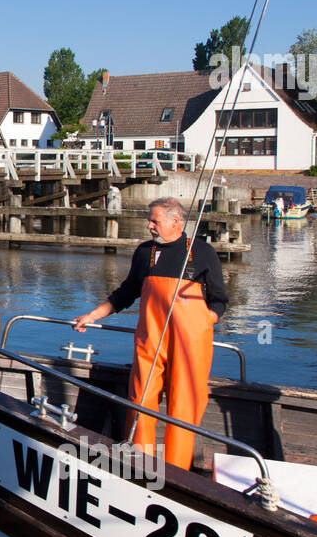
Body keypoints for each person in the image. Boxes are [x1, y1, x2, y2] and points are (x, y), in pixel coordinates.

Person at [71, 197, 228, 470]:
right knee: (140, 399)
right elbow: (126, 293)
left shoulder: (202, 252)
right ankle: (139, 465)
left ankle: (176, 471)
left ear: (175, 221)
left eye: (154, 221)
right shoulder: (145, 253)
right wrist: (92, 315)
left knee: (184, 404)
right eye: (150, 220)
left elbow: (219, 300)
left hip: (190, 344)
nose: (149, 226)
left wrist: (204, 321)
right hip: (151, 341)